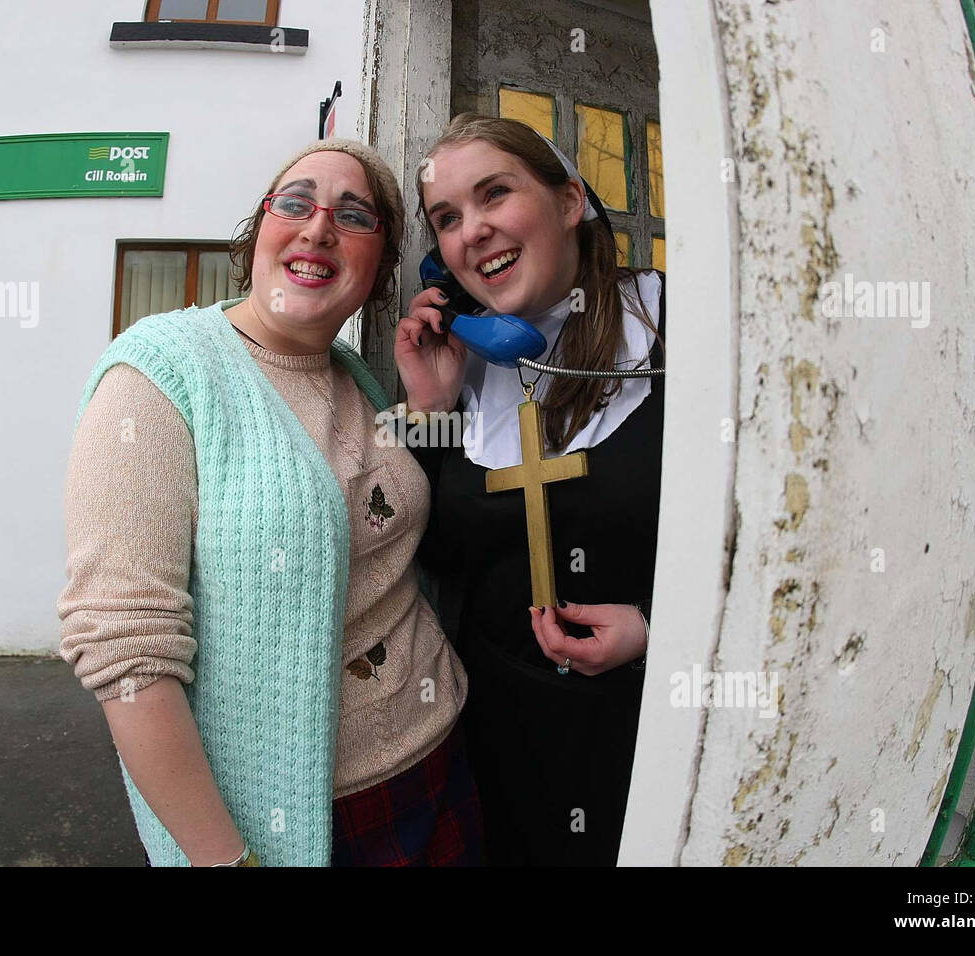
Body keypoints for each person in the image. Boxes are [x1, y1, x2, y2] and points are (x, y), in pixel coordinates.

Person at [57, 138, 482, 867]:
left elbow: (375, 529)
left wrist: (429, 407)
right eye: (295, 203)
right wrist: (225, 861)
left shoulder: (355, 376)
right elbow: (125, 650)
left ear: (378, 269)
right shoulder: (162, 373)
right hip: (318, 820)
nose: (318, 227)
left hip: (444, 762)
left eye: (354, 216)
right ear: (259, 234)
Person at [394, 114, 665, 866]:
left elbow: (771, 532)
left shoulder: (674, 327)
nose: (472, 231)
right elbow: (434, 551)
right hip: (498, 748)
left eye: (495, 195)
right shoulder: (463, 359)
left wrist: (659, 630)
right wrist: (430, 412)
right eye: (447, 219)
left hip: (644, 736)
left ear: (570, 202)